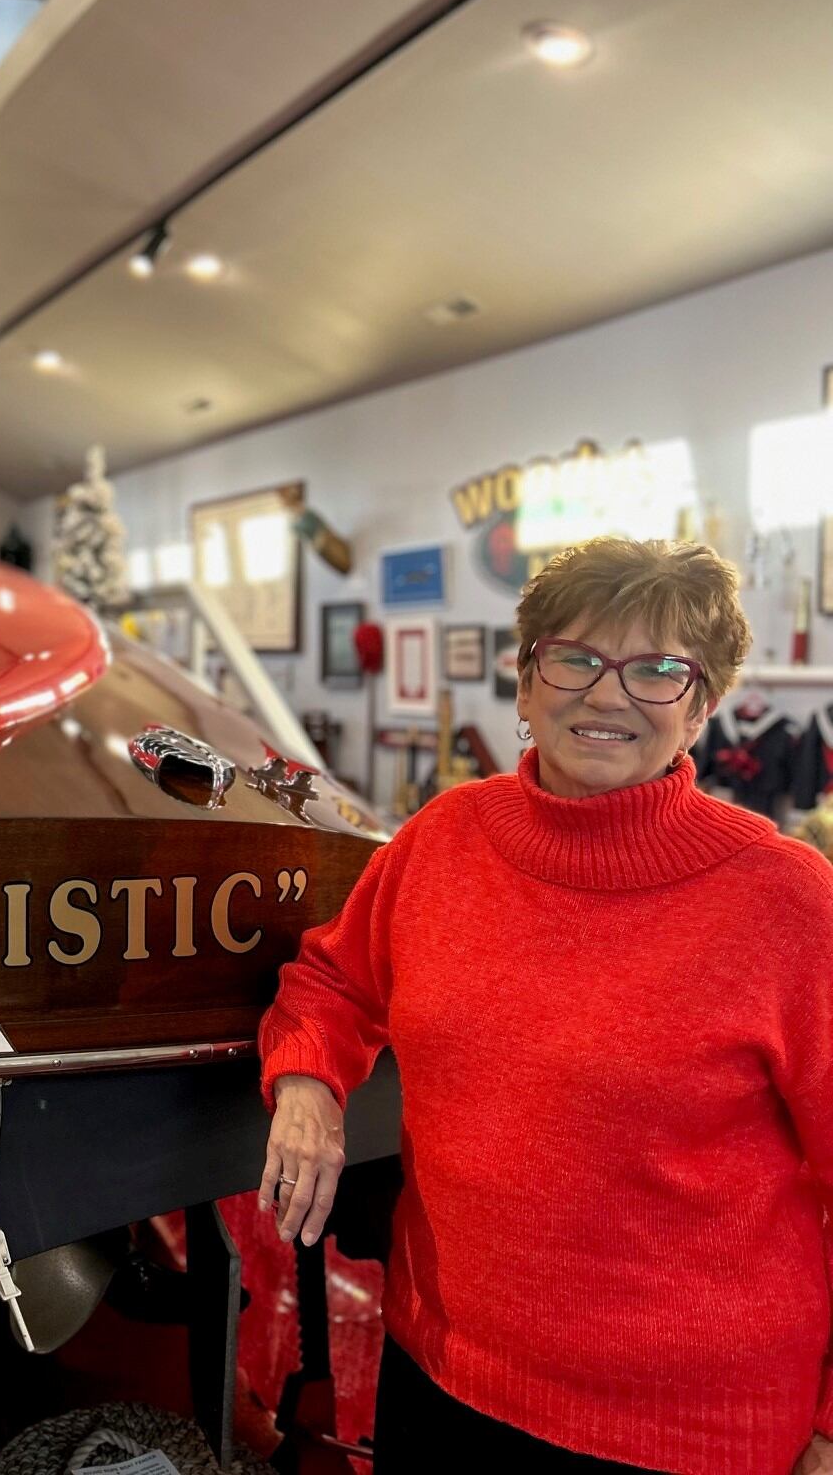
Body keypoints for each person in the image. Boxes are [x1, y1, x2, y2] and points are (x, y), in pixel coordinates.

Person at [258, 537, 833, 1475]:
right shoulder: (443, 840)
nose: (608, 696)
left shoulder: (788, 902)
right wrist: (308, 1089)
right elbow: (329, 981)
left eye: (657, 671)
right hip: (442, 1378)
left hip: (691, 1434)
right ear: (525, 687)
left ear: (700, 708)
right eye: (575, 658)